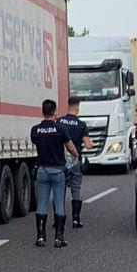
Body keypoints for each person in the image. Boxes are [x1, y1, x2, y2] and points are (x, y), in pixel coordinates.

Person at [31, 99, 80, 248]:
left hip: (42, 170)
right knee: (59, 203)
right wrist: (76, 156)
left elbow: (36, 143)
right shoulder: (60, 129)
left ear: (42, 111)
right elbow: (70, 148)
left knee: (42, 203)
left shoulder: (35, 130)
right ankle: (59, 238)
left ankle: (40, 237)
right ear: (55, 112)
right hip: (58, 171)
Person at [57, 98, 94, 228]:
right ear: (78, 107)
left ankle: (59, 219)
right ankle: (76, 220)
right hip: (75, 159)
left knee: (60, 189)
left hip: (61, 161)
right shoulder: (81, 124)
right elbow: (88, 145)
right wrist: (90, 142)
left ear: (68, 106)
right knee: (76, 188)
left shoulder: (59, 121)